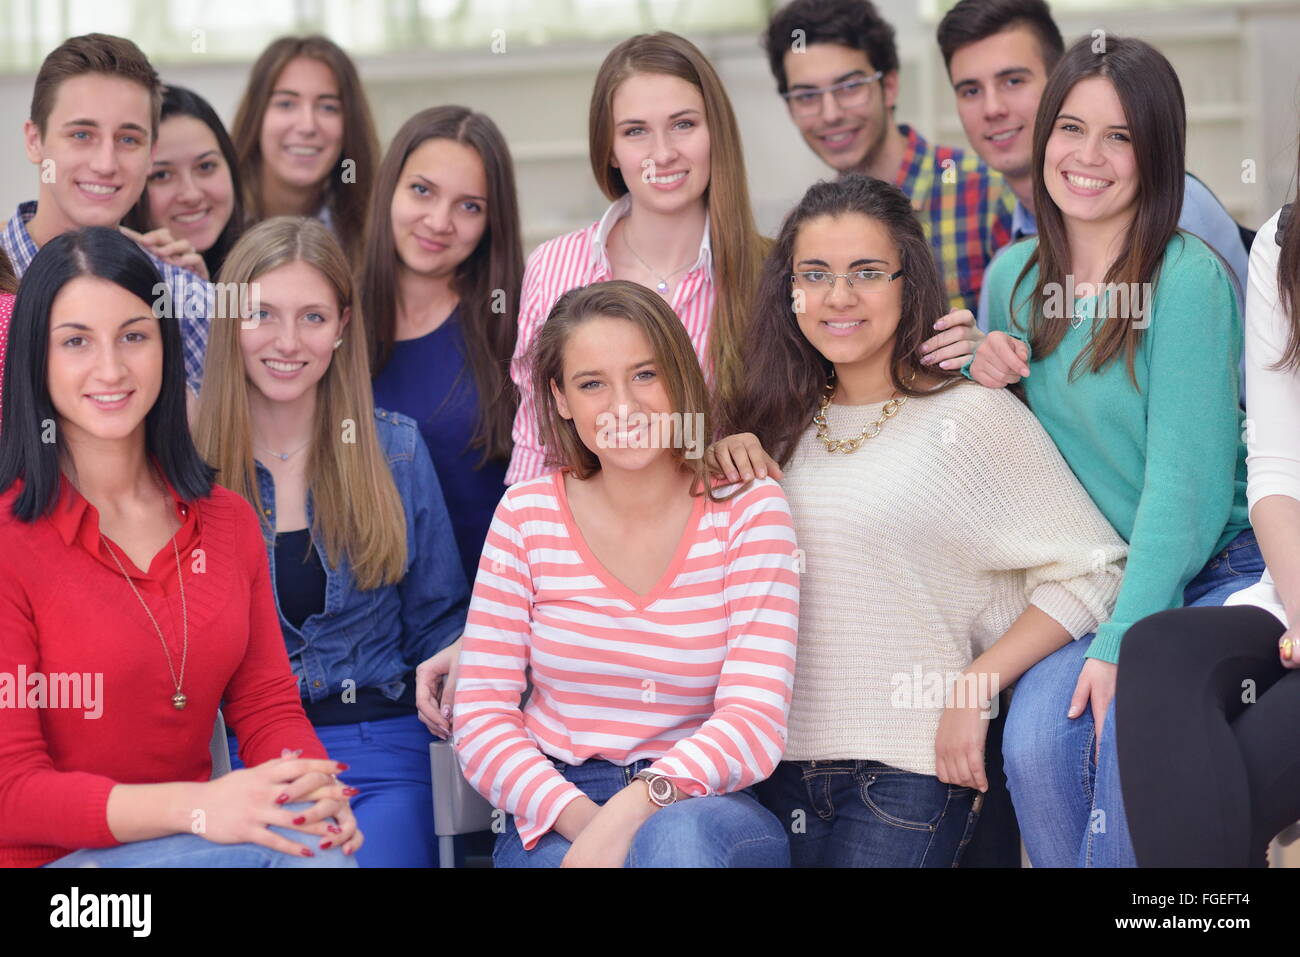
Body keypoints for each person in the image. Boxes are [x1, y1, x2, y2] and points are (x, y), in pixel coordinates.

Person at [706, 174, 1126, 867]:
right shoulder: (769, 427)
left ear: (909, 284)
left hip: (906, 773)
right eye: (816, 274)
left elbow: (1096, 567)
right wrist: (720, 465)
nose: (839, 296)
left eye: (867, 272)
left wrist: (977, 681)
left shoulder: (970, 415)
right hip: (770, 773)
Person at [965, 35, 1259, 867]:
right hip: (1096, 573)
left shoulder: (1188, 278)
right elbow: (1009, 445)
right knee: (1031, 745)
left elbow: (1185, 495)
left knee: (1127, 732)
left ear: (1154, 154)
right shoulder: (1013, 278)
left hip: (1210, 567)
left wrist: (1120, 636)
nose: (1087, 156)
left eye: (1119, 136)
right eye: (1070, 128)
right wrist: (973, 362)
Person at [0, 227, 359, 868]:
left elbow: (265, 705)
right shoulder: (9, 542)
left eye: (133, 336)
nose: (111, 369)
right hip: (59, 874)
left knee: (313, 848)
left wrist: (313, 791)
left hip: (199, 849)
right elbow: (12, 795)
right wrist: (201, 808)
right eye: (76, 341)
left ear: (165, 347)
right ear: (36, 358)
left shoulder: (229, 523)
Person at [454, 280, 800, 868]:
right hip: (560, 804)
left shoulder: (748, 508)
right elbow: (483, 718)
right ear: (560, 399)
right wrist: (589, 826)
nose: (624, 407)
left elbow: (754, 718)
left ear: (681, 376)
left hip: (707, 804)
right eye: (592, 384)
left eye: (645, 374)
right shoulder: (525, 517)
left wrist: (636, 808)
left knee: (675, 845)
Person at [193, 216, 468, 867]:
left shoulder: (394, 449)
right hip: (238, 762)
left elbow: (440, 623)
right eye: (263, 314)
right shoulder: (187, 467)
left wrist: (459, 659)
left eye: (313, 317)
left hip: (382, 751)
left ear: (342, 327)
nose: (288, 341)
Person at [1115, 195, 1300, 867]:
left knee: (1205, 787)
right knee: (1158, 646)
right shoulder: (1287, 238)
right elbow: (1277, 473)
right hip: (1291, 586)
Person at [505, 31, 768, 485]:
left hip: (728, 542)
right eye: (635, 131)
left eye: (683, 124)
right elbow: (537, 444)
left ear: (715, 133)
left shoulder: (774, 271)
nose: (663, 153)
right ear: (609, 148)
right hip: (585, 544)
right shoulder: (553, 266)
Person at [933, 0, 1248, 327]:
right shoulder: (1009, 249)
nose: (992, 108)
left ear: (1060, 84)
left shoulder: (1178, 209)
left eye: (1013, 81)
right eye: (970, 90)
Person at [763, 0, 1014, 316]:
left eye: (850, 87)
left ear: (890, 86)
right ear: (790, 108)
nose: (831, 114)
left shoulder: (985, 191)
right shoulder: (803, 228)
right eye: (807, 96)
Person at [2, 33, 212, 393]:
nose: (105, 164)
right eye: (82, 135)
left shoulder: (185, 300)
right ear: (34, 141)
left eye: (128, 139)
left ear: (151, 154)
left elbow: (207, 443)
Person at [366, 106, 523, 584]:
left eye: (469, 206)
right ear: (389, 186)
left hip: (496, 610)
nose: (439, 221)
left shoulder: (516, 321)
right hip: (368, 620)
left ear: (492, 221)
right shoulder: (329, 315)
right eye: (422, 191)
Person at [231, 35, 378, 266]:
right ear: (256, 117)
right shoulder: (216, 219)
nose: (307, 126)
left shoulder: (373, 233)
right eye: (286, 104)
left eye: (328, 107)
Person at [124, 84, 245, 280]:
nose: (191, 195)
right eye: (162, 175)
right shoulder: (111, 284)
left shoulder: (265, 269)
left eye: (205, 166)